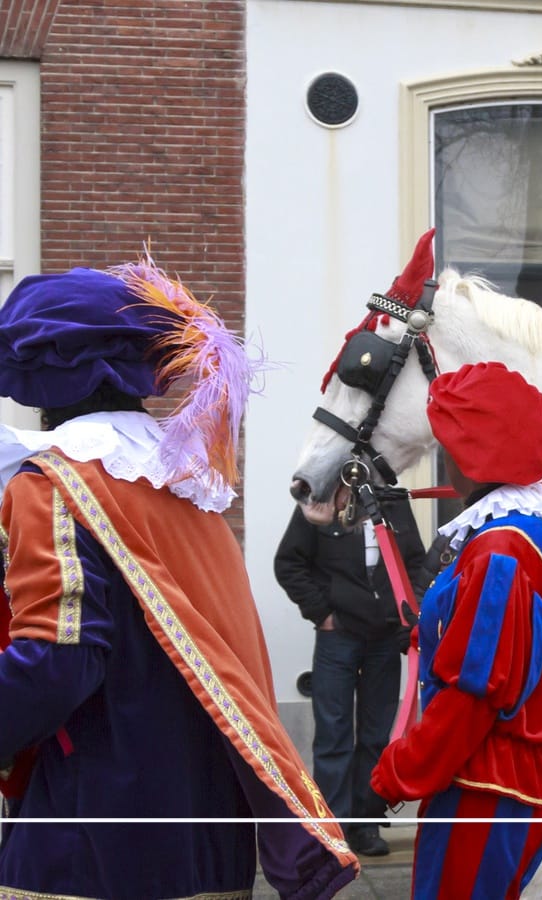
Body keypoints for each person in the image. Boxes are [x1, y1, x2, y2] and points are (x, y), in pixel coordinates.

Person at [0, 261, 358, 897]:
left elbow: (56, 662)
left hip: (94, 840)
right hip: (206, 833)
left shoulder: (54, 485)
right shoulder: (189, 489)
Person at [369, 361, 542, 899]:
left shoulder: (500, 549)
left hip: (487, 784)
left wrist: (400, 772)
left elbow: (473, 694)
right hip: (498, 781)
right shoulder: (521, 533)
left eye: (449, 443)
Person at [274, 489, 431, 857]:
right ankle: (334, 828)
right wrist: (321, 613)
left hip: (384, 638)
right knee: (333, 735)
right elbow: (288, 564)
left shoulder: (393, 504)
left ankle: (366, 824)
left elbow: (415, 563)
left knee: (377, 735)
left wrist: (407, 613)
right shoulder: (319, 505)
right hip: (337, 638)